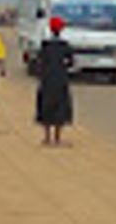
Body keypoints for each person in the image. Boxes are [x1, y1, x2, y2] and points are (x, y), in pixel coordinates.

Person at [35, 17, 75, 146]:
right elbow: (71, 62)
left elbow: (39, 62)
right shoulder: (65, 46)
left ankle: (47, 138)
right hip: (60, 79)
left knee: (46, 105)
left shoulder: (45, 46)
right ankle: (57, 138)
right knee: (60, 106)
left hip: (46, 79)